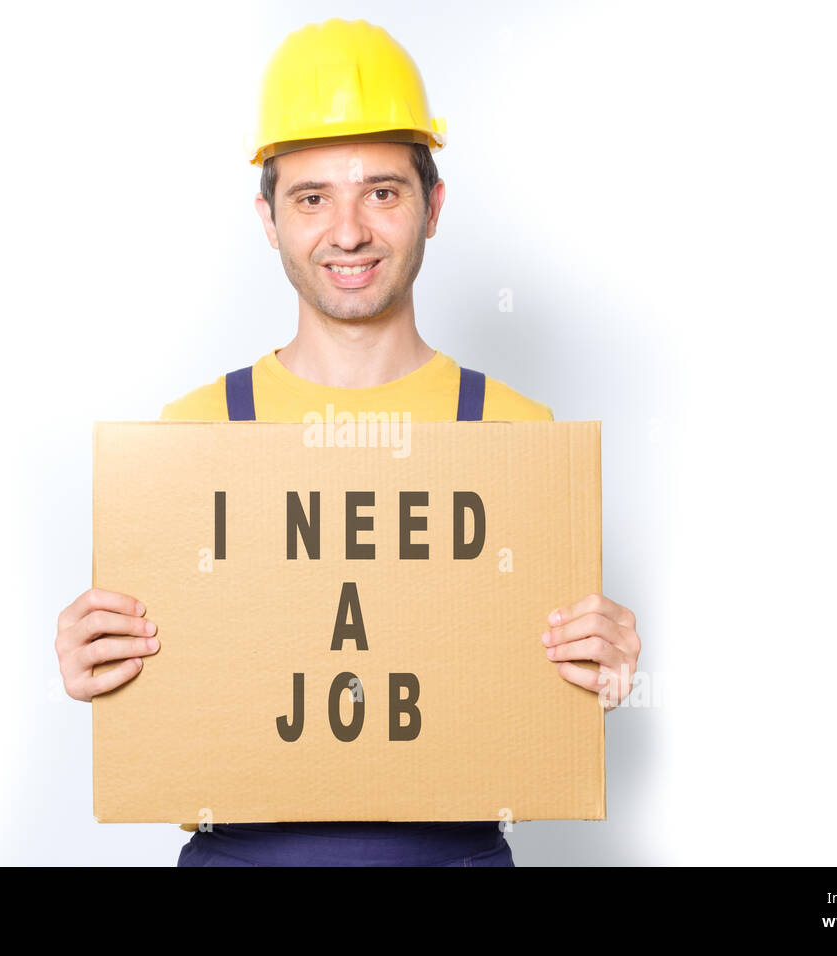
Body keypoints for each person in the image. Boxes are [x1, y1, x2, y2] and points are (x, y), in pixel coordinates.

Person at [53, 17, 642, 866]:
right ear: (269, 217)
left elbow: (532, 700)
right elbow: (168, 698)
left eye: (383, 191)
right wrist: (97, 664)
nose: (349, 230)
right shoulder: (189, 440)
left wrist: (597, 667)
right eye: (312, 196)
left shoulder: (518, 438)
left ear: (433, 205)